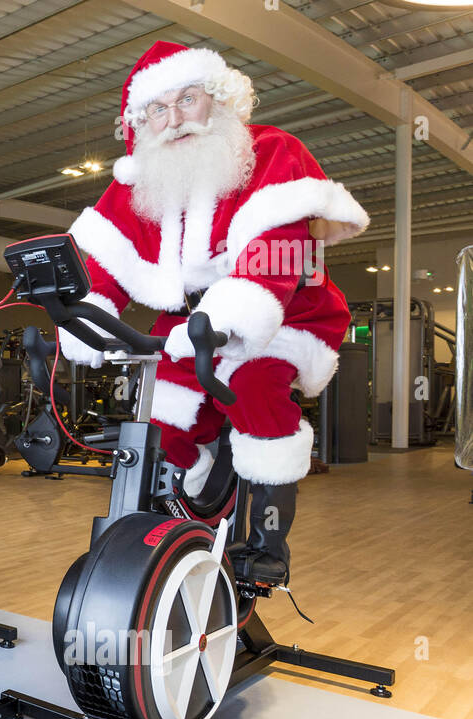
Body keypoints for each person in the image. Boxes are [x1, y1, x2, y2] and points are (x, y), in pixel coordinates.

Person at [61, 40, 369, 584]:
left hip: (282, 311)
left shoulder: (271, 152)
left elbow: (277, 247)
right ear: (141, 120)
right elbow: (109, 263)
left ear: (219, 98)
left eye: (188, 99)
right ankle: (197, 498)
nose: (174, 118)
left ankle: (267, 543)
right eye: (158, 108)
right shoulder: (141, 185)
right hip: (188, 323)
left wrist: (236, 312)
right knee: (161, 416)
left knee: (252, 387)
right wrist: (88, 317)